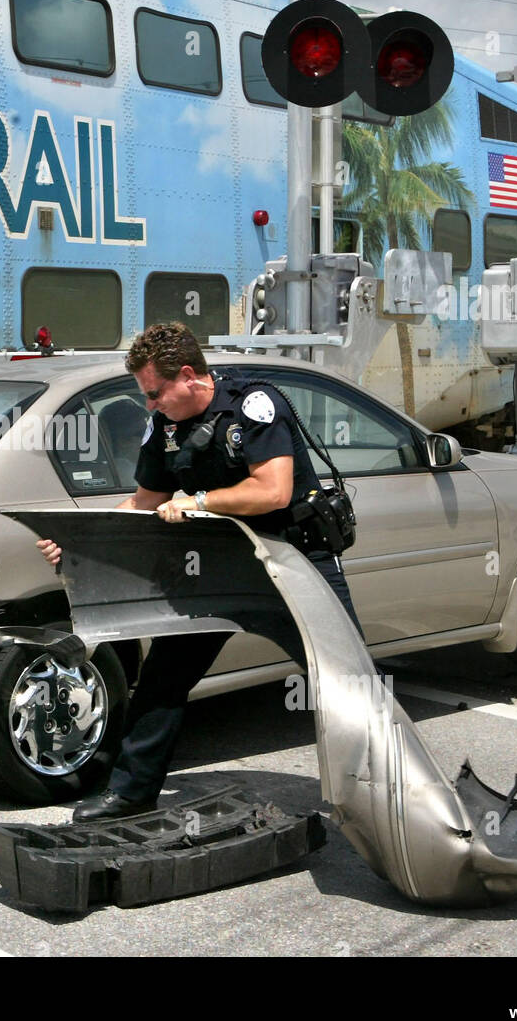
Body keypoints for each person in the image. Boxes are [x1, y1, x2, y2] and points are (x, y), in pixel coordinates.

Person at [37, 322, 361, 822]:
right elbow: (145, 503)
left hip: (293, 561)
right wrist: (80, 545)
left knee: (346, 681)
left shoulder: (254, 405)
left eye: (155, 393)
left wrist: (199, 502)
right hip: (215, 569)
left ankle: (381, 791)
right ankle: (131, 792)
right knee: (163, 679)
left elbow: (273, 491)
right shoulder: (164, 428)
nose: (149, 404)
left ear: (188, 376)